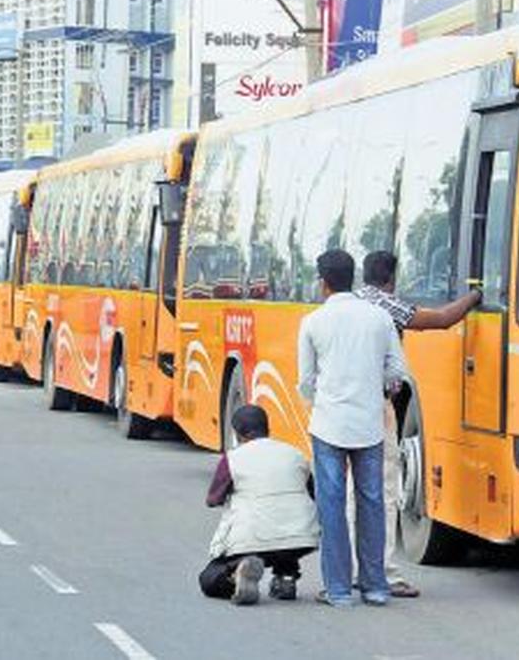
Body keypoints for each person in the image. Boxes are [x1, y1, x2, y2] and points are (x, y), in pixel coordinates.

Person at [352, 250, 481, 598]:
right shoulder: (385, 306)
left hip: (343, 408)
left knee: (352, 494)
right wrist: (476, 295)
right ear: (392, 279)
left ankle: (352, 570)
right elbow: (440, 319)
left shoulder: (351, 302)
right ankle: (384, 575)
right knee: (383, 489)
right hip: (374, 407)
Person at [297, 249, 408, 608]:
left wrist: (323, 398)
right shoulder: (379, 318)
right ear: (353, 277)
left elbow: (305, 381)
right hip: (369, 425)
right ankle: (375, 587)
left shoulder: (313, 322)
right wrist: (376, 389)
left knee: (331, 505)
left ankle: (339, 590)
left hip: (328, 424)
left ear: (323, 282)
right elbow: (396, 371)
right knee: (372, 502)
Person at [199, 405, 320, 606]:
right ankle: (286, 577)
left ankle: (238, 569)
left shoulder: (233, 459)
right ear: (267, 428)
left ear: (237, 433)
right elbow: (313, 493)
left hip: (255, 539)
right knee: (283, 533)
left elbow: (213, 500)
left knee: (209, 578)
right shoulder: (295, 454)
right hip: (301, 538)